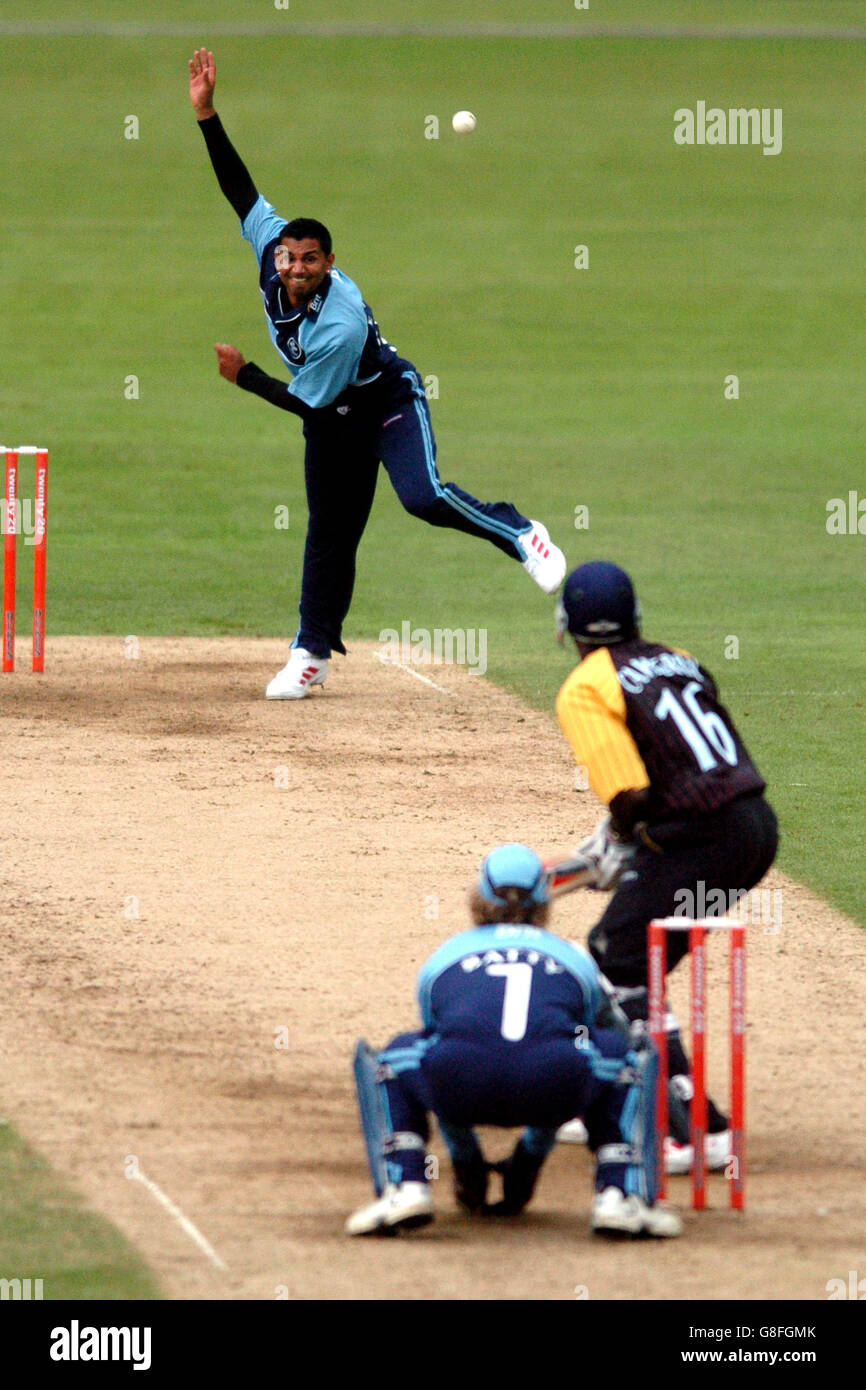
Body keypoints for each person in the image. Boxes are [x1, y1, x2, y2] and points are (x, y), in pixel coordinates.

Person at [188, 50, 567, 699]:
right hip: (328, 414)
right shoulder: (272, 248)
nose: (295, 266)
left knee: (421, 497)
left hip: (383, 401)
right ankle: (311, 653)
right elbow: (239, 189)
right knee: (328, 533)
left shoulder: (338, 325)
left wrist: (244, 375)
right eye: (289, 257)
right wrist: (207, 114)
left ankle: (521, 532)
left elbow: (308, 404)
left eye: (310, 259)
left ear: (330, 262)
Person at [554, 561, 778, 1173]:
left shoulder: (585, 686)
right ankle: (607, 1096)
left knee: (615, 960)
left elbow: (630, 797)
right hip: (754, 829)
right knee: (636, 960)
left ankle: (695, 1130)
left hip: (704, 841)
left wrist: (622, 840)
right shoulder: (679, 658)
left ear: (567, 626)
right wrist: (629, 846)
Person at [345, 844, 681, 1238]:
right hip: (552, 1084)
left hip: (461, 1084)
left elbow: (450, 1046)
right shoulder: (574, 958)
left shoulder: (444, 957)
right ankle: (619, 1194)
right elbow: (562, 1048)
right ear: (544, 902)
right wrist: (531, 1158)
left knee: (398, 1053)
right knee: (619, 1055)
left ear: (478, 898)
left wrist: (465, 1159)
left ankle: (405, 1184)